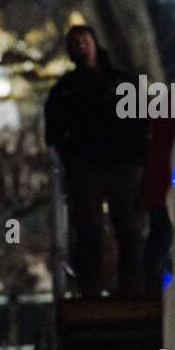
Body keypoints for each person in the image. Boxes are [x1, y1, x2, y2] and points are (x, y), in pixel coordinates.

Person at [44, 26, 147, 297]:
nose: (81, 47)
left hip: (123, 164)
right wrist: (70, 161)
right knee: (88, 230)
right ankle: (90, 289)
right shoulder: (65, 90)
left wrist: (139, 159)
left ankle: (131, 288)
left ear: (94, 43)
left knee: (128, 229)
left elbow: (144, 122)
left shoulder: (122, 82)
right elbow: (53, 133)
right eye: (75, 43)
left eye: (85, 41)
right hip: (87, 166)